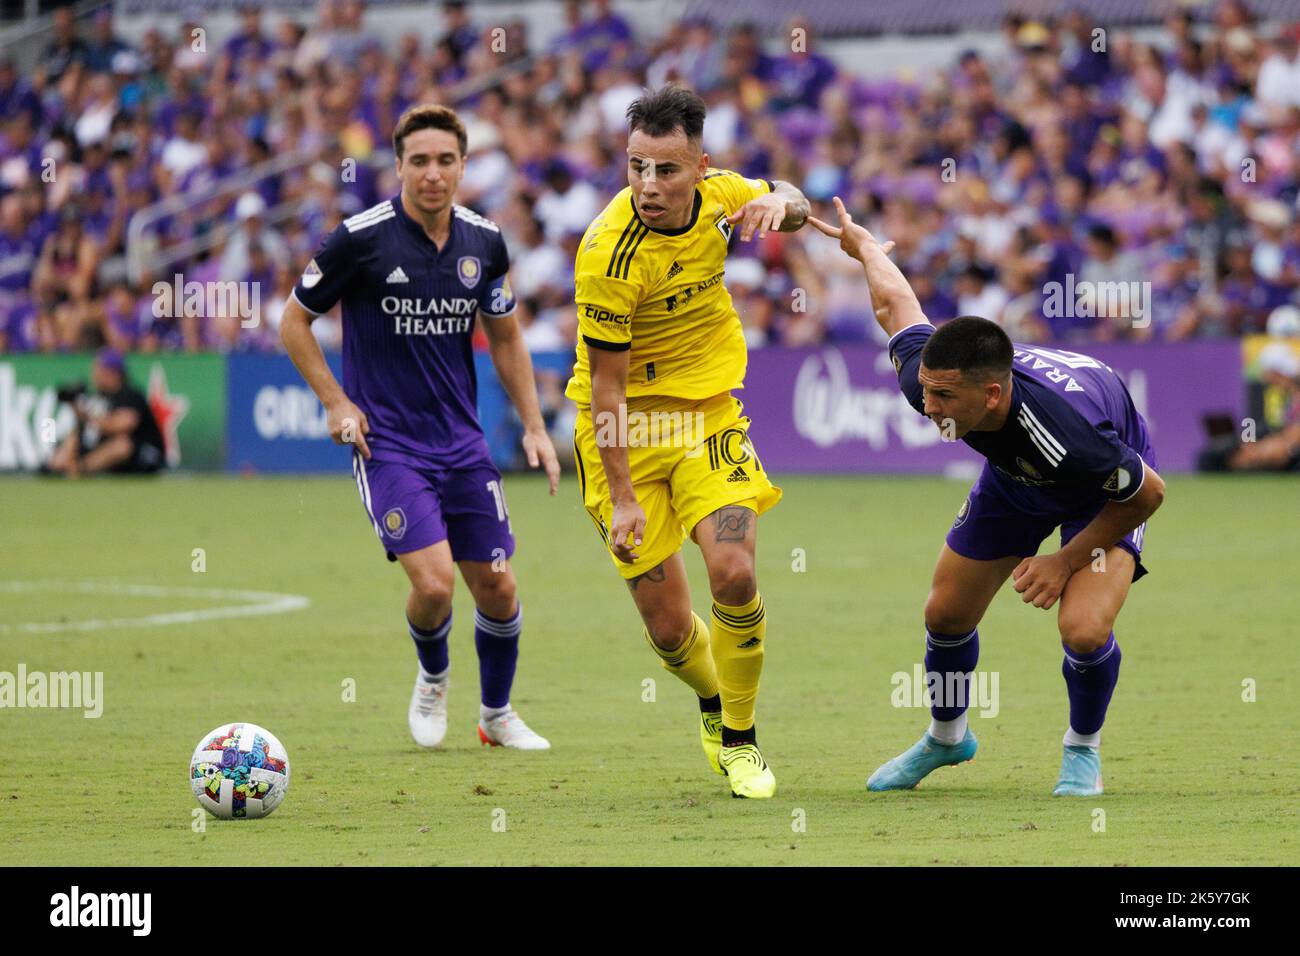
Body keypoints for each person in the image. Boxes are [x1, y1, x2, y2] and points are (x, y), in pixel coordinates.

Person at [808, 197, 1166, 797]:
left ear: (993, 396)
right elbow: (895, 306)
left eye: (944, 397)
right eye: (926, 392)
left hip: (1097, 494)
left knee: (1081, 629)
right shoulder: (932, 376)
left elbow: (1147, 496)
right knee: (944, 615)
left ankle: (1082, 751)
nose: (928, 409)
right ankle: (947, 738)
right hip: (1017, 477)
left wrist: (1064, 559)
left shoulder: (1067, 435)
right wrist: (867, 247)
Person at [280, 104, 561, 751]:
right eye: (419, 161)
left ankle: (496, 715)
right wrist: (335, 402)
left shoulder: (484, 242)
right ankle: (433, 676)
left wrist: (534, 426)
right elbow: (293, 322)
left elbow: (508, 337)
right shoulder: (361, 238)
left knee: (497, 583)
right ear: (400, 166)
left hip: (462, 443)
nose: (432, 174)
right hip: (389, 444)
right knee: (434, 585)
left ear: (464, 166)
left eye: (445, 161)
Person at [566, 85, 810, 798]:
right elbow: (607, 391)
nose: (647, 185)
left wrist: (779, 205)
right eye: (636, 166)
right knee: (670, 628)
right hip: (625, 433)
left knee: (733, 571)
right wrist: (622, 500)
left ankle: (741, 738)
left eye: (666, 170)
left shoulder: (724, 194)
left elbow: (793, 200)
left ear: (700, 167)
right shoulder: (607, 255)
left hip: (706, 417)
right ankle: (710, 701)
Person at [47, 349, 165, 477]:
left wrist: (87, 415)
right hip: (113, 455)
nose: (95, 374)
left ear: (113, 373)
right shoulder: (99, 396)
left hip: (143, 455)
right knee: (74, 435)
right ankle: (58, 467)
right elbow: (85, 429)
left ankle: (80, 469)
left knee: (122, 444)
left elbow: (122, 425)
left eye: (99, 369)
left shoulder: (130, 395)